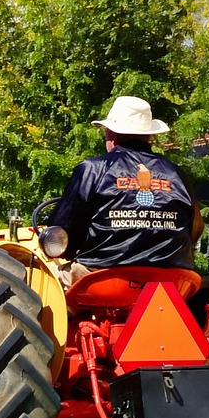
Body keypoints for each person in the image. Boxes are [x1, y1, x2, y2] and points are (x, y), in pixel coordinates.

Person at [47, 96, 196, 281]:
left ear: (112, 135)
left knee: (43, 278)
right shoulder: (176, 173)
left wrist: (69, 251)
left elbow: (63, 229)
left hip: (102, 278)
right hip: (170, 280)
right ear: (150, 136)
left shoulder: (93, 169)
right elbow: (195, 227)